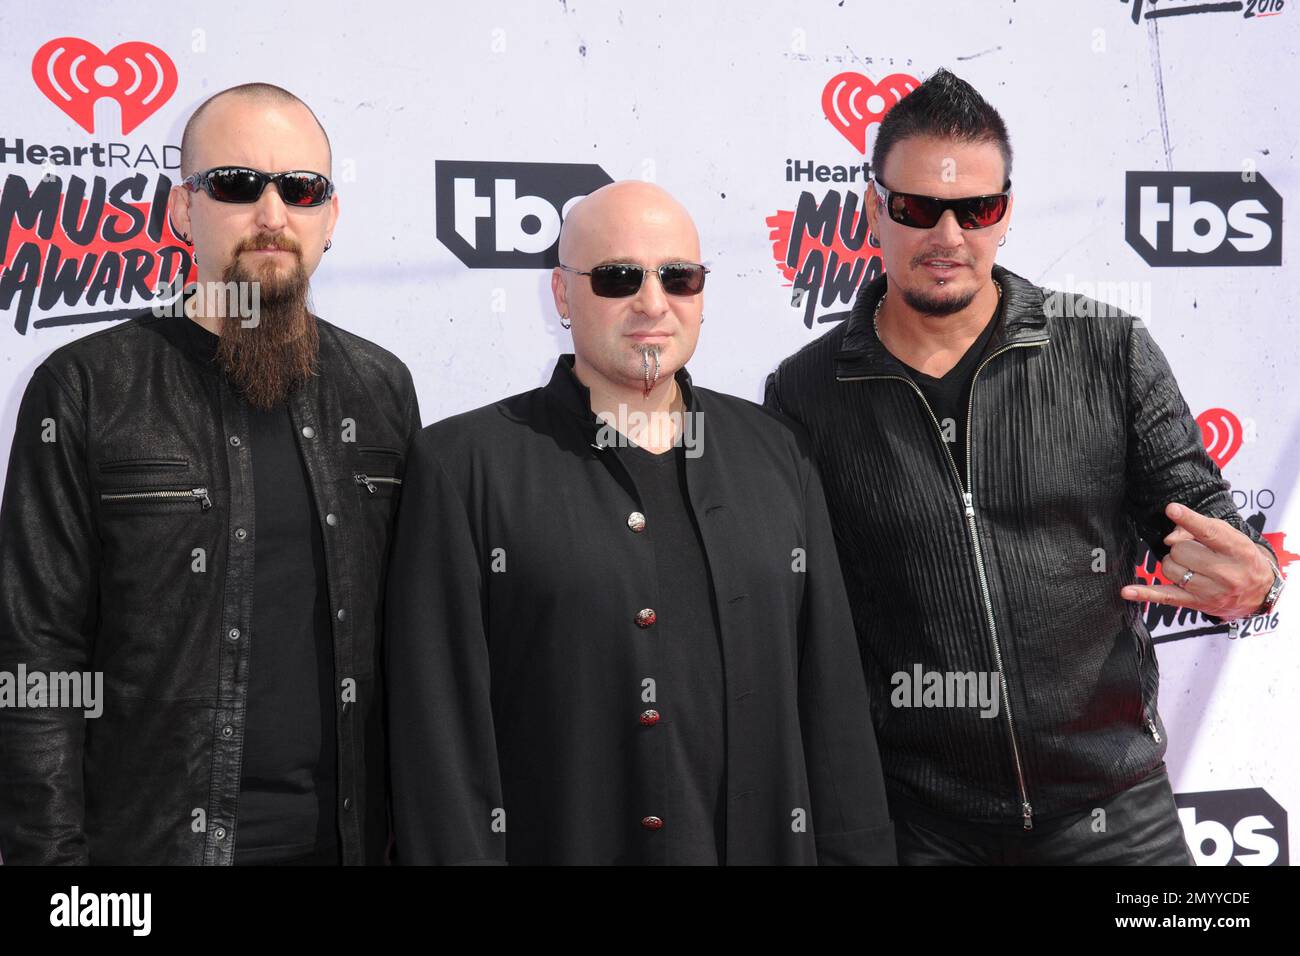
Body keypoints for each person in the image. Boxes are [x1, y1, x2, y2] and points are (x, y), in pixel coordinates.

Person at [764, 68, 1282, 865]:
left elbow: (1202, 519)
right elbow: (795, 610)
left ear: (1005, 212)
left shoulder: (1107, 349)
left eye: (976, 209)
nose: (948, 236)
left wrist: (1256, 580)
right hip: (923, 824)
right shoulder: (806, 392)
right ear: (873, 208)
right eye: (917, 209)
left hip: (1115, 811)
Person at [385, 180, 894, 865]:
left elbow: (831, 708)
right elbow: (439, 743)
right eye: (618, 278)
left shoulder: (779, 453)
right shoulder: (465, 467)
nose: (653, 303)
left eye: (678, 278)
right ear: (562, 294)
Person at [0, 83, 421, 865]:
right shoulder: (87, 387)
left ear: (331, 217)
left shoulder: (380, 389)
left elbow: (418, 641)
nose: (272, 214)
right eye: (235, 184)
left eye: (301, 189)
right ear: (181, 210)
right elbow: (36, 656)